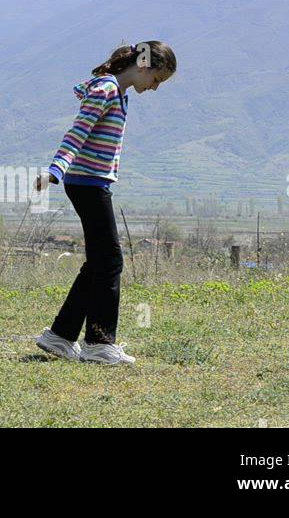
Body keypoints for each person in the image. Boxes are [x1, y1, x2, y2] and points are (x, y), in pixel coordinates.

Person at [34, 41, 177, 365]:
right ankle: (99, 343)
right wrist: (55, 170)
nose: (154, 88)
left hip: (91, 183)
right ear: (144, 64)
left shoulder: (118, 93)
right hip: (87, 184)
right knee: (111, 262)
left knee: (99, 263)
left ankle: (60, 336)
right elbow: (77, 132)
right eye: (156, 79)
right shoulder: (106, 89)